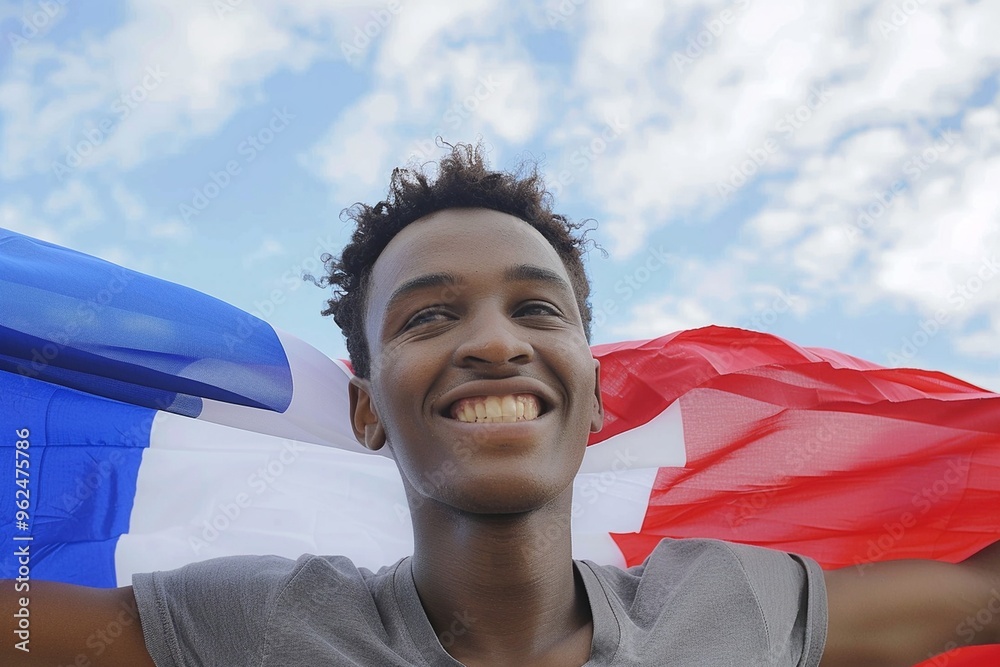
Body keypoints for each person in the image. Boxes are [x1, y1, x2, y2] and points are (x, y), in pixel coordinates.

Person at [2, 142, 999, 666]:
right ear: (365, 412)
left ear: (596, 392)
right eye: (429, 318)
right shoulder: (263, 623)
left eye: (533, 308)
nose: (492, 340)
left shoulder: (732, 608)